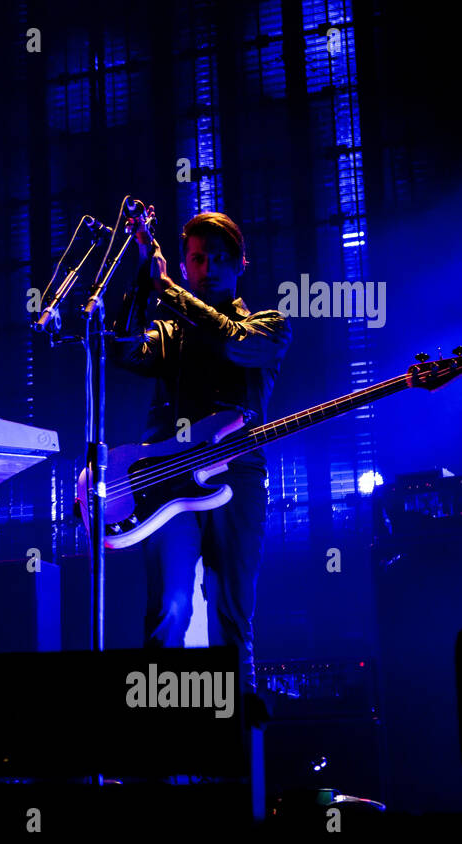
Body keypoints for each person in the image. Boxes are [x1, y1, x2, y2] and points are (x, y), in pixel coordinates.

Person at [113, 211, 291, 699]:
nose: (208, 267)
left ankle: (238, 742)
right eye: (197, 258)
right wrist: (139, 274)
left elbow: (233, 346)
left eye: (219, 258)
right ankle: (159, 746)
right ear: (186, 264)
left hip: (241, 478)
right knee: (170, 607)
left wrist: (168, 288)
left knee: (232, 610)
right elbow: (125, 351)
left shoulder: (270, 326)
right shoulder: (173, 333)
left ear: (241, 264)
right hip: (171, 484)